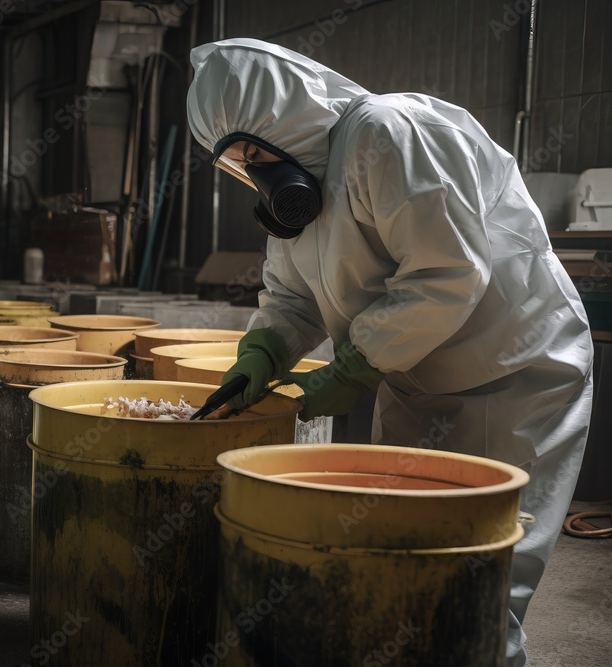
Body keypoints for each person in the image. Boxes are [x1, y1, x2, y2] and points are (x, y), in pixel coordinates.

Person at [187, 39, 593, 666]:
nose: (254, 170)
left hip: (513, 371)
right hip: (412, 379)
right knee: (398, 553)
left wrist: (354, 365)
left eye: (252, 149)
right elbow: (291, 294)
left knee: (481, 571)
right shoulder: (305, 190)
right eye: (236, 162)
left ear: (285, 117)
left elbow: (448, 273)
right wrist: (263, 352)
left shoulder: (390, 132)